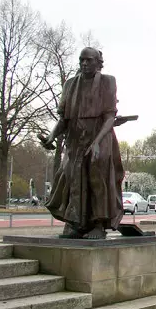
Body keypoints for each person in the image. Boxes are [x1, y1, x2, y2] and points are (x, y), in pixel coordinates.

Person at [40, 47, 124, 239]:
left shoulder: (107, 82)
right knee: (71, 176)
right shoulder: (70, 84)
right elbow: (63, 120)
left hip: (100, 134)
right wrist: (52, 136)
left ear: (98, 63)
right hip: (75, 138)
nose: (84, 63)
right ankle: (75, 222)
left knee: (97, 174)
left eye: (89, 60)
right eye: (82, 60)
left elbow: (110, 116)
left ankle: (98, 224)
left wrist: (97, 142)